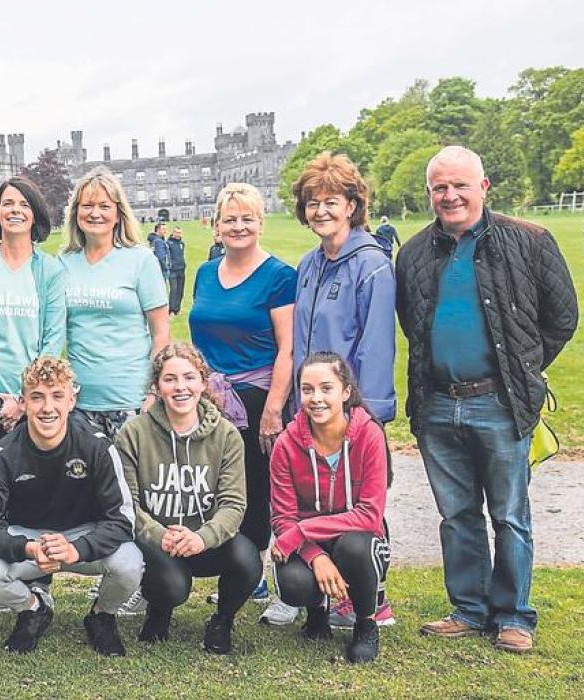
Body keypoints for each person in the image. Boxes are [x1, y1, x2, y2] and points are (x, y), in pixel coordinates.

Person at [396, 146, 578, 654]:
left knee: (509, 515)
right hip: (436, 403)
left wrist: (521, 368)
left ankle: (515, 615)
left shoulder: (530, 241)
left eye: (460, 185)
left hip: (498, 402)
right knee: (457, 516)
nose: (450, 196)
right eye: (439, 187)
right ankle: (469, 609)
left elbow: (562, 317)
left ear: (483, 186)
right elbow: (415, 324)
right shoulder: (412, 253)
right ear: (429, 192)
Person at [0, 357, 142, 656]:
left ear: (72, 400)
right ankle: (33, 608)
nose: (47, 407)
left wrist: (78, 549)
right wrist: (28, 547)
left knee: (130, 564)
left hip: (81, 537)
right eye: (37, 397)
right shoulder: (3, 453)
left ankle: (102, 615)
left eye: (57, 396)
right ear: (23, 402)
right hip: (30, 539)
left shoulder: (97, 446)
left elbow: (123, 519)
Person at [289, 152, 397, 629]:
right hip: (310, 407)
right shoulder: (309, 264)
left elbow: (375, 347)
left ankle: (372, 598)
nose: (321, 212)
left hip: (351, 414)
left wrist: (363, 417)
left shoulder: (372, 265)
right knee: (319, 502)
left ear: (353, 206)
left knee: (362, 504)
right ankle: (324, 593)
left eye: (331, 201)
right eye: (312, 203)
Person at [188, 182, 296, 616]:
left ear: (261, 223)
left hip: (256, 397)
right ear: (216, 226)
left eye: (247, 218)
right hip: (208, 401)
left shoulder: (279, 276)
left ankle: (253, 578)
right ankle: (235, 569)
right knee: (217, 488)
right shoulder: (203, 273)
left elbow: (287, 347)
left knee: (255, 488)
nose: (238, 226)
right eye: (229, 219)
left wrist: (273, 408)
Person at [114, 343, 260, 654]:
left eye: (189, 377)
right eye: (170, 379)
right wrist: (160, 534)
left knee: (247, 559)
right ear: (157, 386)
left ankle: (222, 620)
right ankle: (159, 609)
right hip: (157, 541)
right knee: (173, 586)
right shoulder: (134, 433)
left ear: (203, 383)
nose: (180, 387)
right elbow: (128, 503)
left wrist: (202, 537)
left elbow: (233, 504)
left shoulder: (227, 435)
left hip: (203, 539)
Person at [270, 352, 391, 664]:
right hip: (309, 542)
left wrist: (302, 531)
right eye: (307, 390)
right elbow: (283, 517)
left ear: (346, 392)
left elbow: (370, 514)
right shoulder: (286, 443)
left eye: (326, 388)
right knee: (294, 582)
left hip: (356, 535)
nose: (316, 398)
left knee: (354, 547)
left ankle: (366, 624)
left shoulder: (369, 434)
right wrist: (316, 555)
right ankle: (316, 614)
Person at [0, 176, 66, 454]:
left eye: (24, 204)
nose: (15, 210)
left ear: (35, 215)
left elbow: (53, 340)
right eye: (7, 203)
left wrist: (24, 400)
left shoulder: (50, 271)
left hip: (36, 405)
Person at [59, 166, 169, 438]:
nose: (95, 213)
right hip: (79, 403)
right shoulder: (63, 263)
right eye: (87, 205)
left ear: (118, 214)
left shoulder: (141, 260)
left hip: (131, 399)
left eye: (104, 206)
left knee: (132, 480)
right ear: (76, 213)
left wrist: (154, 391)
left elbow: (161, 333)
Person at [166, 227, 187, 315]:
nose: (179, 235)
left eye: (180, 233)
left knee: (180, 289)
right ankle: (171, 309)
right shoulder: (168, 243)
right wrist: (171, 265)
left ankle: (177, 309)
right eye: (177, 233)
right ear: (173, 233)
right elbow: (168, 256)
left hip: (181, 269)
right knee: (174, 289)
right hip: (173, 270)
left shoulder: (182, 243)